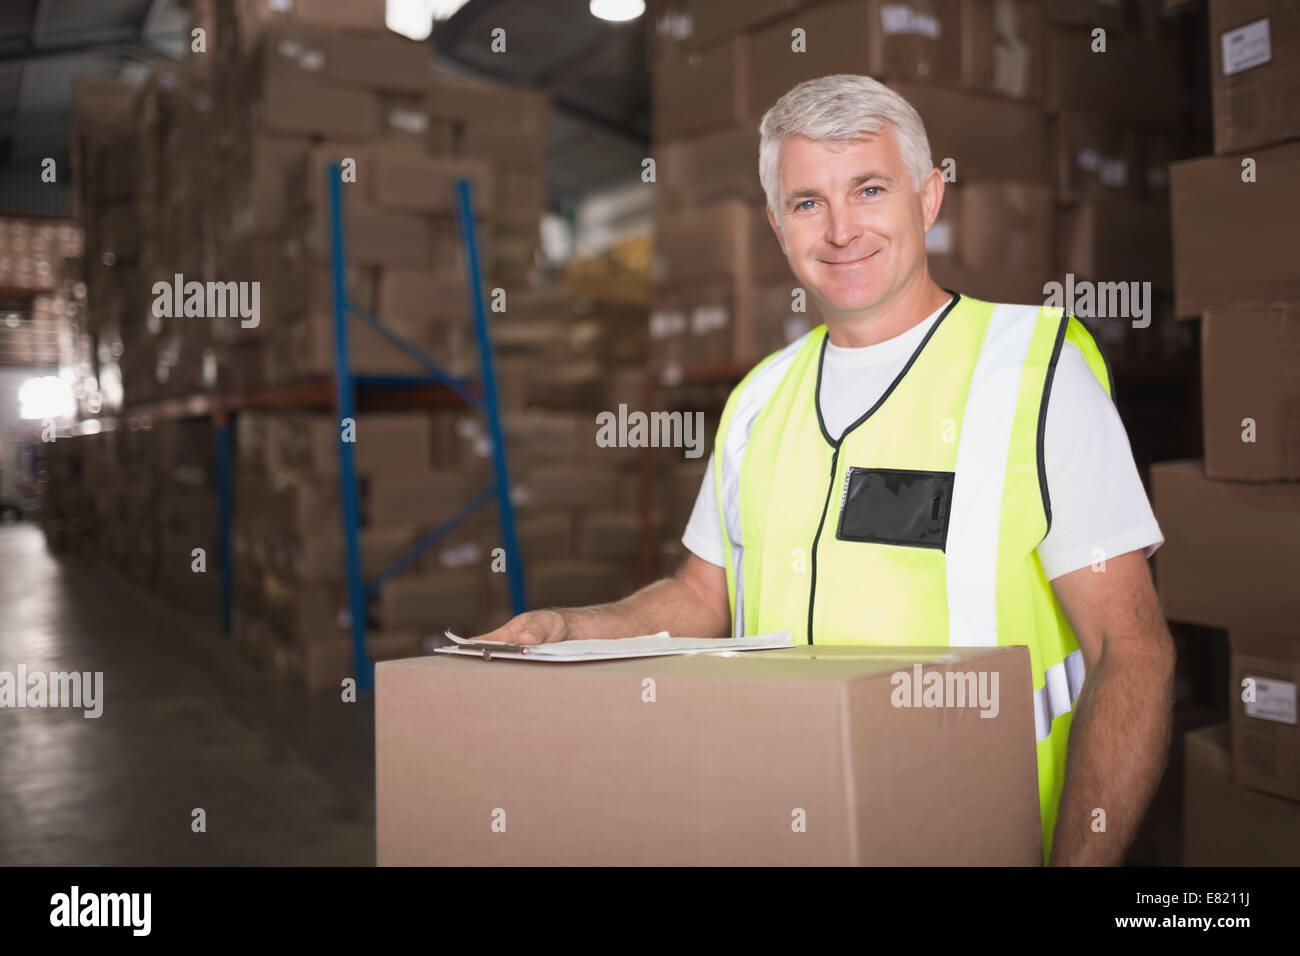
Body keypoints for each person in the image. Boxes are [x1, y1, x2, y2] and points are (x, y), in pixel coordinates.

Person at [475, 74, 1175, 866]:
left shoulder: (1035, 370)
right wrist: (574, 632)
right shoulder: (760, 397)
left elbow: (1132, 651)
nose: (841, 230)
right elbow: (704, 594)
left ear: (928, 196)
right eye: (809, 202)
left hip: (982, 835)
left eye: (869, 189)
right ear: (778, 226)